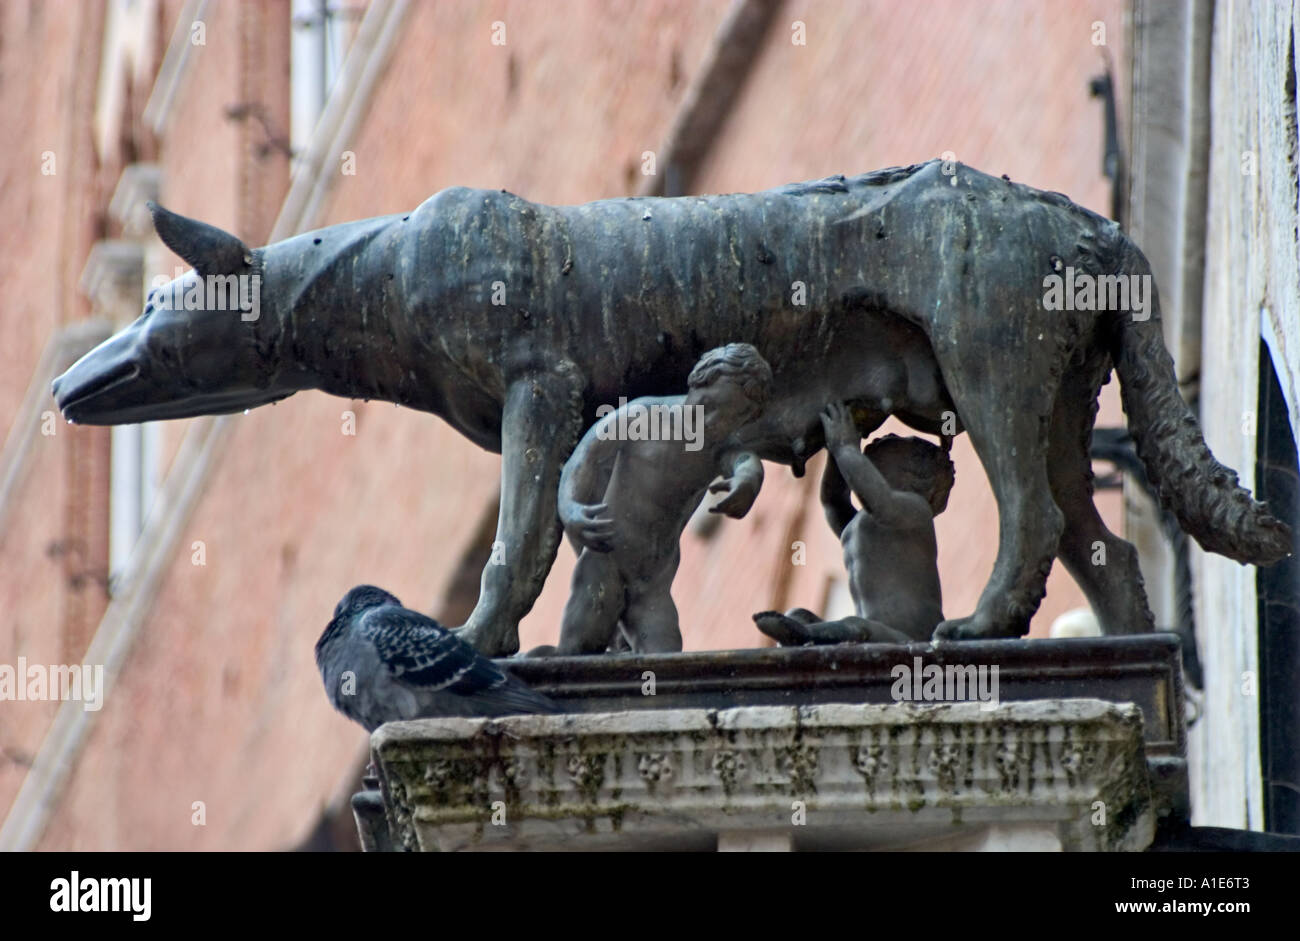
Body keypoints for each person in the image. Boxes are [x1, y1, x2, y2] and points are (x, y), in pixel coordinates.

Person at [556, 343, 772, 654]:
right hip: (607, 559)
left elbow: (746, 463)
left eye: (728, 418)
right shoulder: (646, 416)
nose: (710, 421)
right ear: (697, 382)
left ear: (744, 420)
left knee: (664, 657)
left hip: (653, 581)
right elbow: (587, 456)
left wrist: (747, 483)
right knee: (579, 647)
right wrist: (571, 508)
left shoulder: (719, 448)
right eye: (708, 405)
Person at [755, 402, 954, 646]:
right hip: (871, 634)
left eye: (888, 448)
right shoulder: (863, 523)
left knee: (855, 626)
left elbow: (879, 502)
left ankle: (805, 638)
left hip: (910, 639)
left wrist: (845, 448)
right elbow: (833, 501)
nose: (877, 443)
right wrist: (834, 448)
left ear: (911, 476)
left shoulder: (914, 512)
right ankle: (802, 640)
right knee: (798, 615)